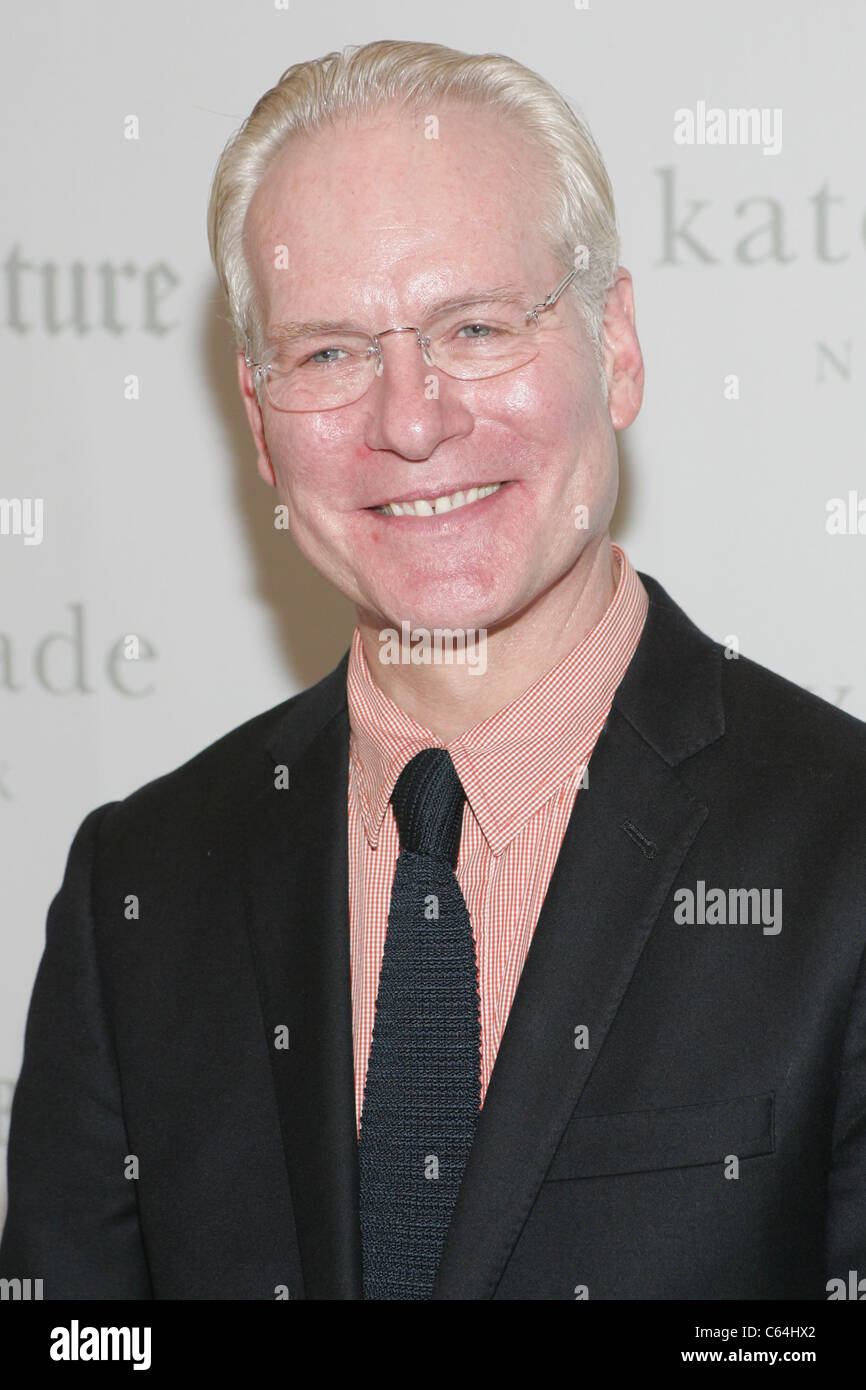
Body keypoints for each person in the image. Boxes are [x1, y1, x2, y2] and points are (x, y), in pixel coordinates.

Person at [2, 38, 865, 1301]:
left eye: (473, 327)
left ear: (614, 344)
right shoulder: (135, 894)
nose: (410, 421)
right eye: (330, 353)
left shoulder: (843, 850)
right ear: (257, 422)